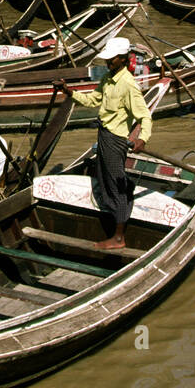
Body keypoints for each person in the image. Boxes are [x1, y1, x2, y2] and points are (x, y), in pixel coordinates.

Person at [55, 36, 153, 251]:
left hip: (115, 140)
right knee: (106, 181)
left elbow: (144, 116)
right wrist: (69, 91)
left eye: (112, 59)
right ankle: (118, 214)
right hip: (104, 136)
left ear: (123, 59)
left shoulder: (128, 85)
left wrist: (142, 138)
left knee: (114, 186)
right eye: (107, 59)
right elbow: (93, 100)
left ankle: (118, 237)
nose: (108, 62)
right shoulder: (108, 78)